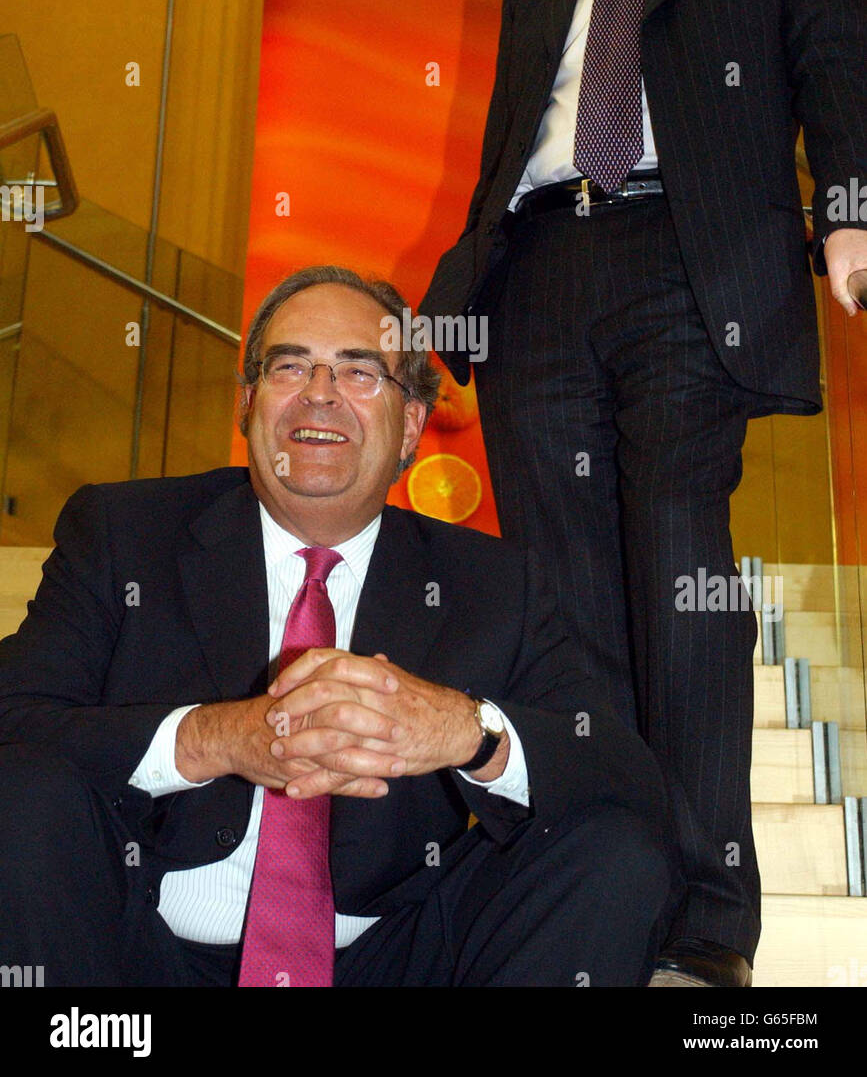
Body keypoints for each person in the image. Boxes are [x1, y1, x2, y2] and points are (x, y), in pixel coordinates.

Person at [420, 0, 867, 987]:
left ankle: (709, 922)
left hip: (689, 263)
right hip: (540, 281)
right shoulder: (534, 0)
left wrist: (849, 214)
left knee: (683, 579)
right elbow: (497, 177)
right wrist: (441, 320)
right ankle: (602, 891)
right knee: (564, 612)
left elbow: (841, 71)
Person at [0, 264, 674, 988]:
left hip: (393, 959)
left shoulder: (495, 584)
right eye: (290, 366)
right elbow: (15, 721)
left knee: (615, 848)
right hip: (138, 953)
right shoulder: (124, 534)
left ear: (411, 423)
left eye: (360, 373)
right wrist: (212, 738)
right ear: (249, 400)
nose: (319, 393)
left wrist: (465, 730)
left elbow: (623, 774)